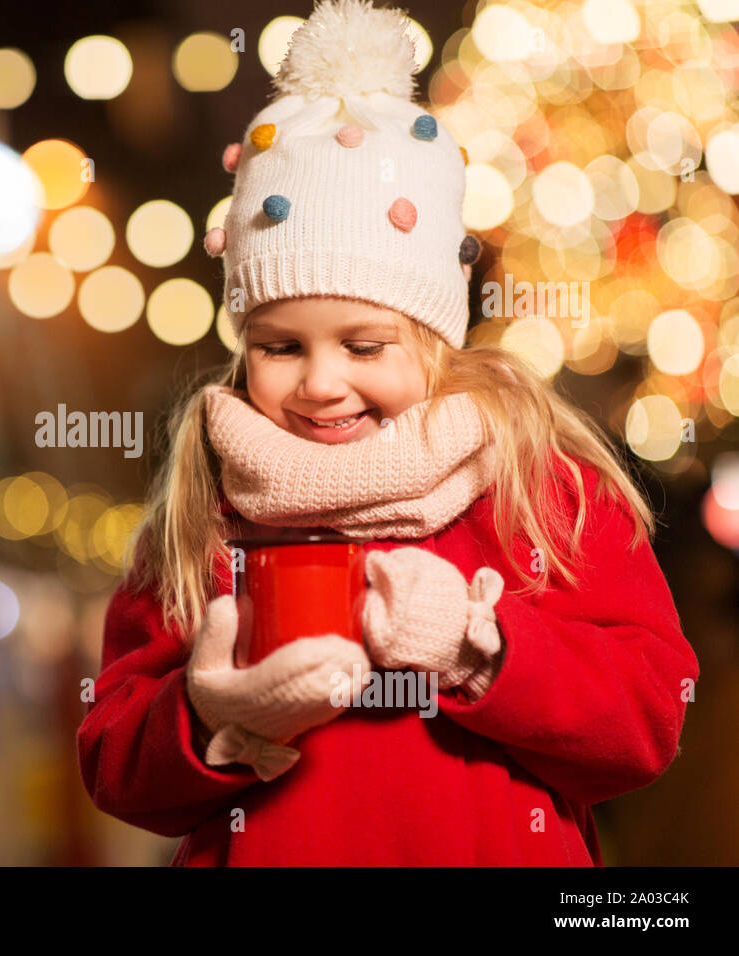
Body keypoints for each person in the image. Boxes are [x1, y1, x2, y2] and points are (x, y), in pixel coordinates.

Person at [76, 0, 699, 865]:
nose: (321, 384)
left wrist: (481, 648)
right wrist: (207, 714)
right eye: (279, 347)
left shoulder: (534, 486)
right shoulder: (204, 511)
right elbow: (111, 756)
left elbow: (648, 716)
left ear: (437, 338)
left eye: (364, 345)